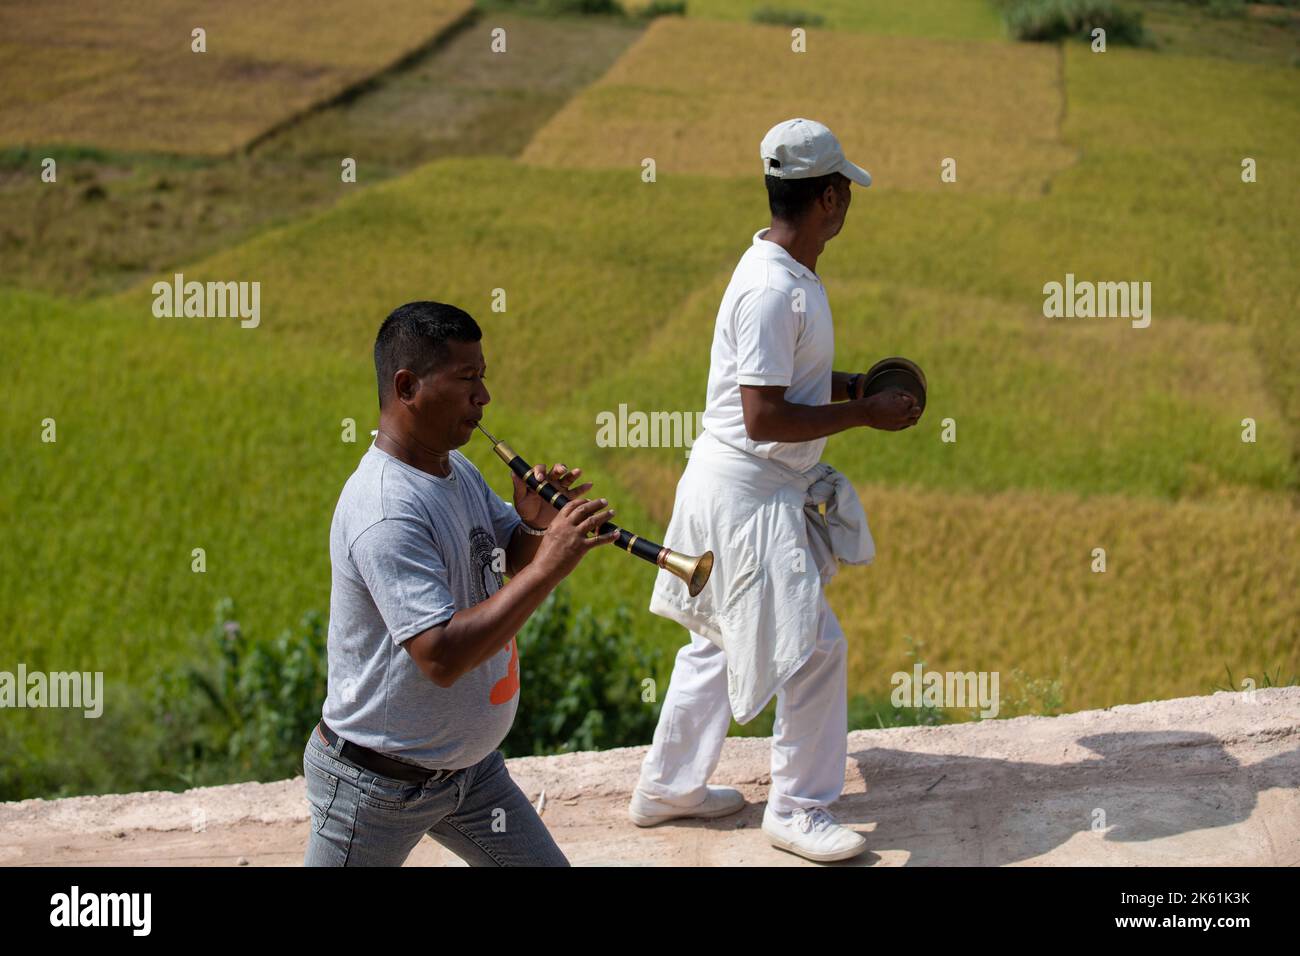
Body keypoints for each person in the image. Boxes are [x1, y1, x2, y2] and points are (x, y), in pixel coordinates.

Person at [628, 119, 921, 863]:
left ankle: (668, 787)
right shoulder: (770, 289)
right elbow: (762, 415)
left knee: (716, 641)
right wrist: (861, 413)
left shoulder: (784, 274)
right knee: (814, 647)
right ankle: (799, 808)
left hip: (736, 489)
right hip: (747, 501)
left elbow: (784, 385)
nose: (849, 200)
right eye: (844, 189)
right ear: (828, 198)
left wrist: (858, 384)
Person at [304, 300, 618, 866]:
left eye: (484, 377)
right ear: (407, 387)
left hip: (470, 776)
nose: (484, 398)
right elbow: (441, 656)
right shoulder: (385, 510)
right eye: (467, 379)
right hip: (377, 787)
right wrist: (552, 564)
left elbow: (500, 554)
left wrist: (535, 526)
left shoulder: (455, 469)